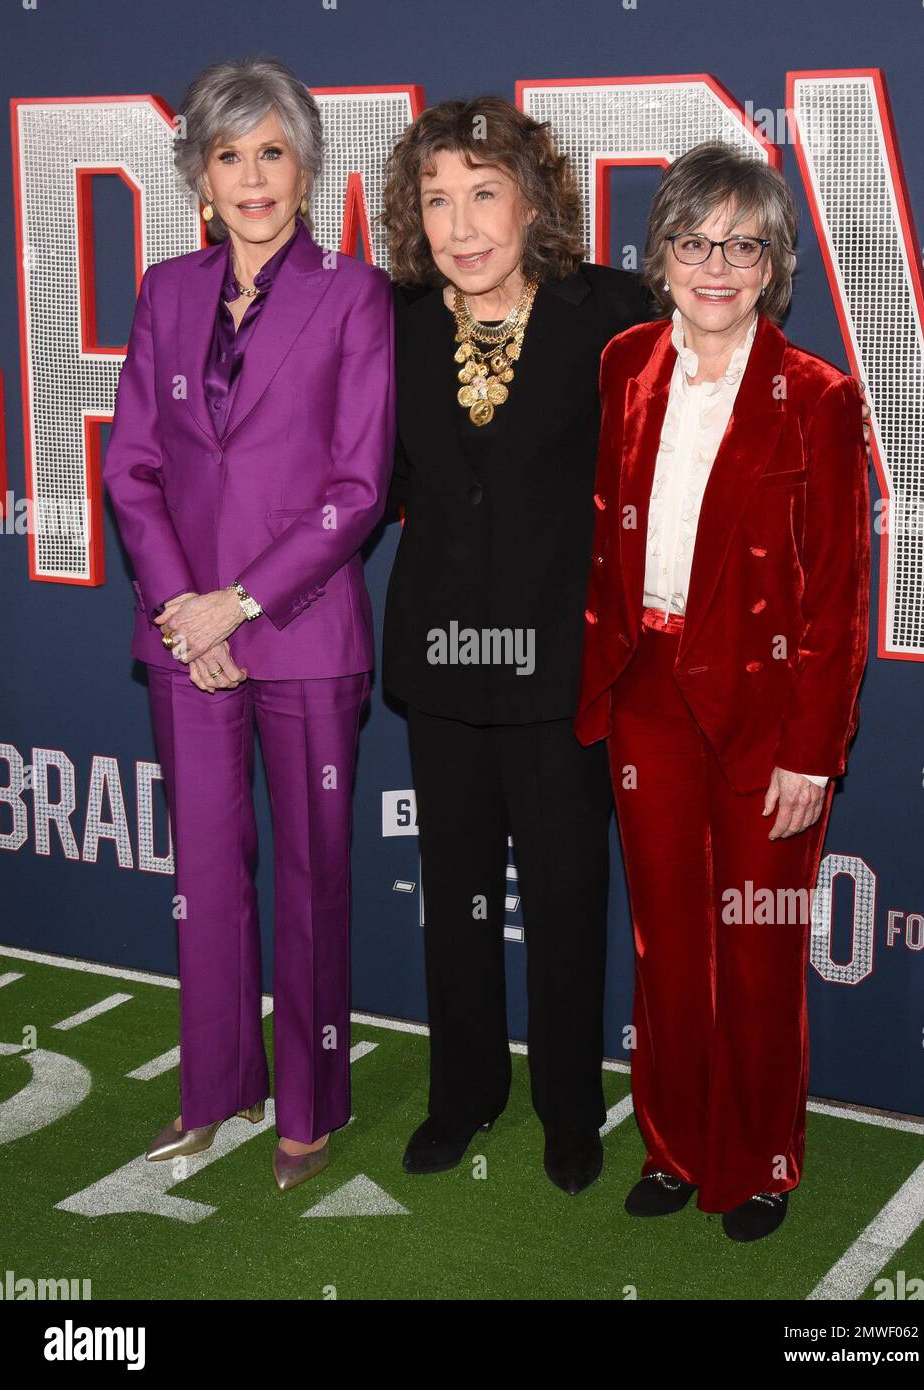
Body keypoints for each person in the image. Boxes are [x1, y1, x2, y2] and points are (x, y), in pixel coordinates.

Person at [103, 55, 394, 1193]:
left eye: (274, 151)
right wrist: (189, 612)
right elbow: (133, 470)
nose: (254, 176)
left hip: (306, 632)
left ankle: (312, 1105)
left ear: (307, 167)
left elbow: (359, 485)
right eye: (231, 155)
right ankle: (215, 1086)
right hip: (186, 640)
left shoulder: (354, 294)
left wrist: (241, 600)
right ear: (201, 178)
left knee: (313, 879)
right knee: (208, 876)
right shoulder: (166, 292)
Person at [576, 139, 871, 1240]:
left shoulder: (819, 395)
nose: (717, 264)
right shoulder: (623, 364)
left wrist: (814, 747)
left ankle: (759, 1159)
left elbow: (839, 590)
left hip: (766, 706)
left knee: (757, 941)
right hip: (647, 685)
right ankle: (672, 1142)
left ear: (773, 262)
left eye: (743, 244)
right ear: (662, 253)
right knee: (665, 938)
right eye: (697, 240)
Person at [379, 96, 656, 1194]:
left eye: (482, 193)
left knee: (566, 891)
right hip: (443, 659)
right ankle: (465, 1092)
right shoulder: (393, 321)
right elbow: (368, 476)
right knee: (457, 893)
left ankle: (567, 1108)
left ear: (532, 199)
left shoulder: (613, 310)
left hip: (560, 663)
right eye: (436, 199)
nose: (461, 223)